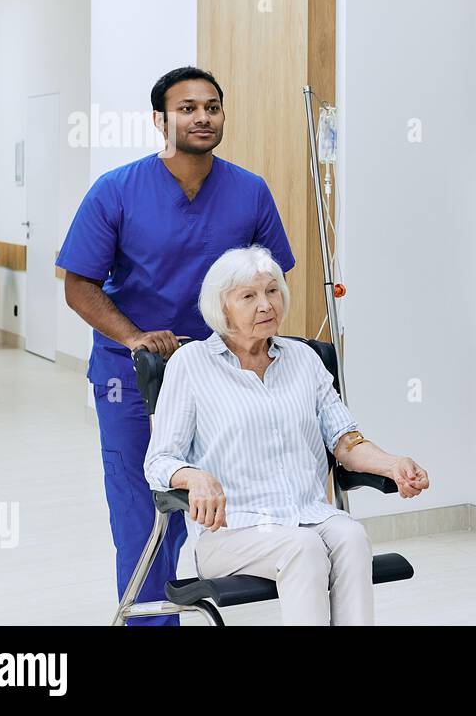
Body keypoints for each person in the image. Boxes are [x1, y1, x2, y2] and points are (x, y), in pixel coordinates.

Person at [57, 66, 296, 625]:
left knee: (206, 500)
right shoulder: (117, 190)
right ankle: (149, 622)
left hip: (220, 374)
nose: (202, 117)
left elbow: (272, 277)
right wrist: (134, 336)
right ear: (160, 120)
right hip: (133, 376)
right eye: (187, 108)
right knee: (143, 510)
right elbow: (78, 284)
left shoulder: (249, 190)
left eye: (212, 107)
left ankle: (196, 596)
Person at [144, 245, 429, 626]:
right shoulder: (190, 365)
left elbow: (344, 439)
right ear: (221, 307)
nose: (266, 305)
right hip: (233, 531)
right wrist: (194, 477)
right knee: (304, 546)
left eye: (272, 291)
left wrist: (392, 464)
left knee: (351, 536)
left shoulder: (303, 359)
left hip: (308, 515)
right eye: (249, 296)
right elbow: (159, 460)